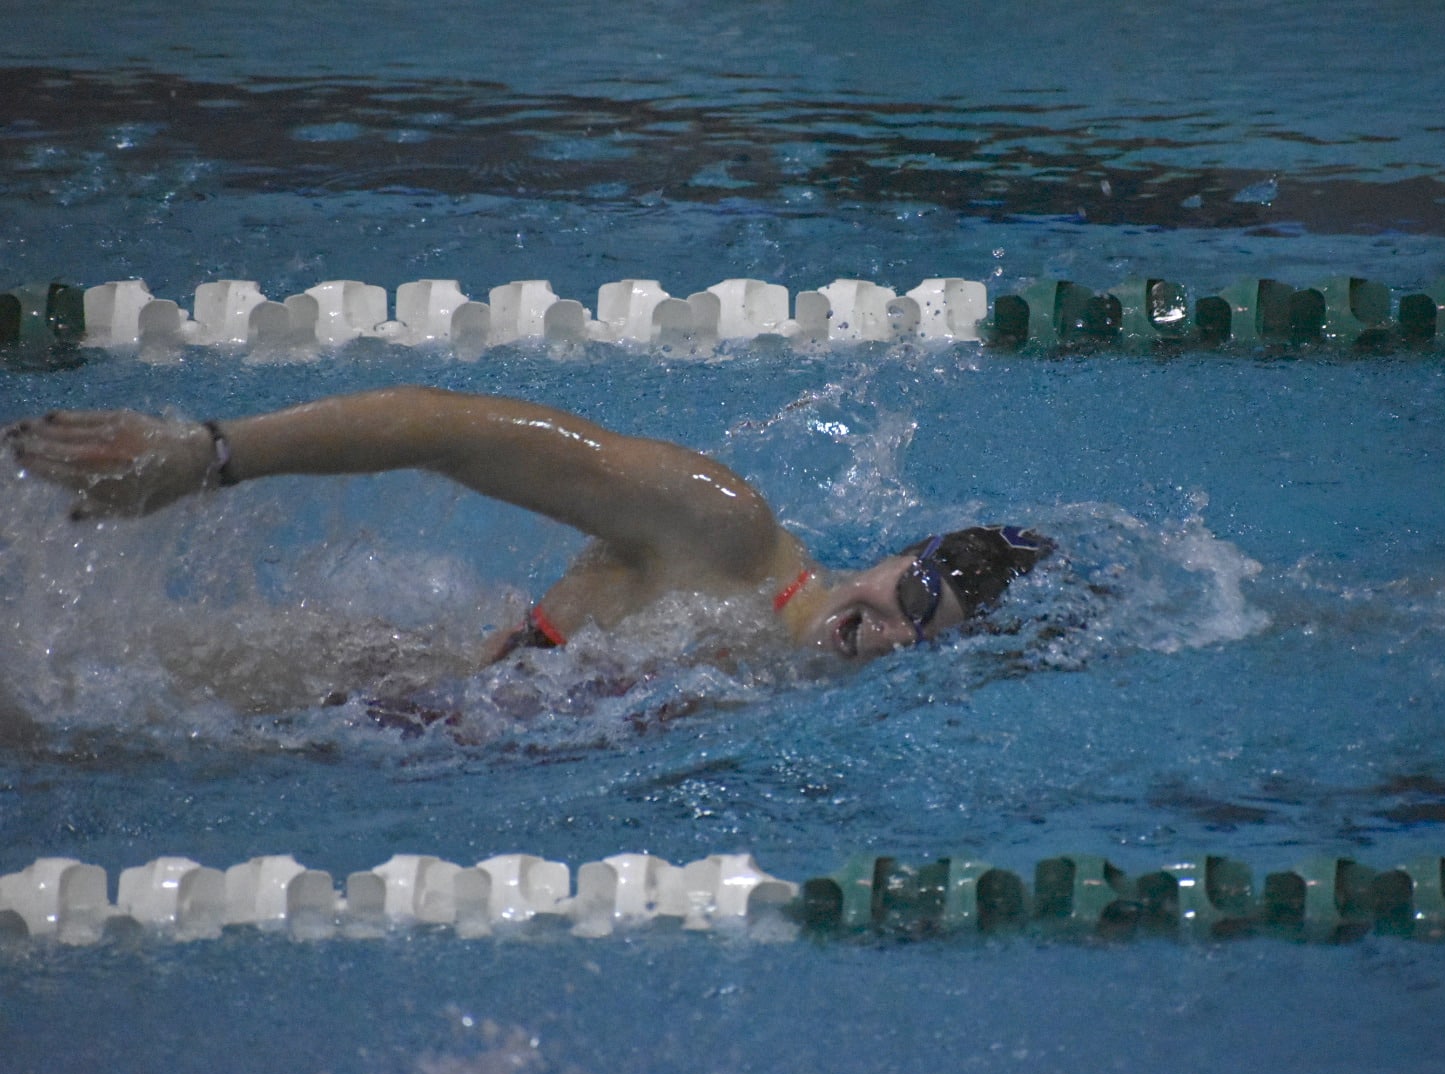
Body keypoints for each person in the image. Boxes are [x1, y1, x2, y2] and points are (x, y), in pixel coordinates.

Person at [4, 386, 1053, 667]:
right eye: (912, 593)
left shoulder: (772, 696)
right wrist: (210, 455)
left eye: (927, 640)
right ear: (894, 554)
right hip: (328, 695)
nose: (893, 630)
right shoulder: (724, 531)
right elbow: (446, 428)